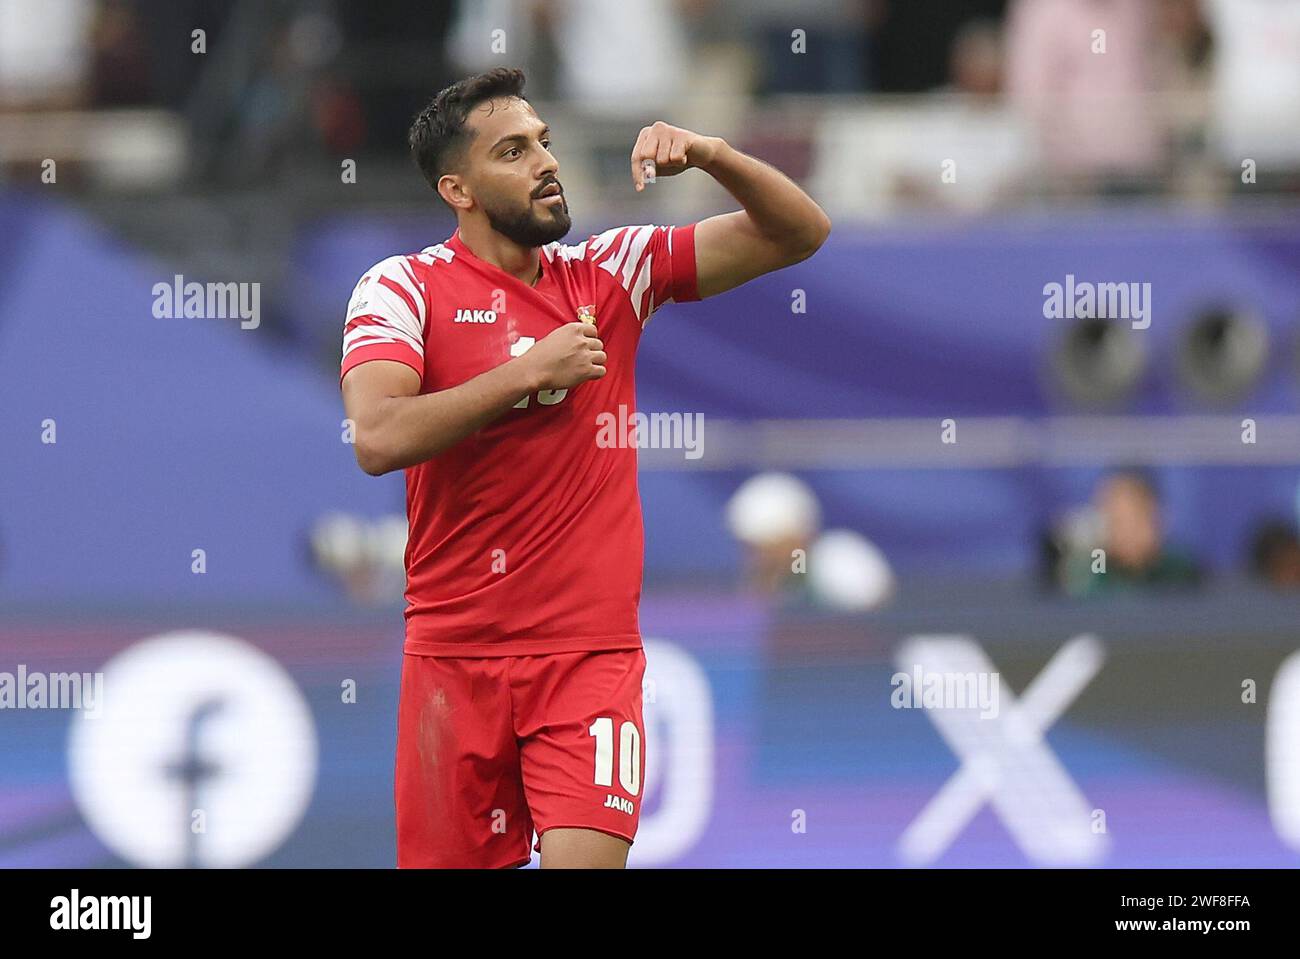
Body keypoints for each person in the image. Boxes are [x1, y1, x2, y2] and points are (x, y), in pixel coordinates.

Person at [339, 68, 830, 868]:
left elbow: (798, 232)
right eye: (512, 150)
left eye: (543, 142)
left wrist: (713, 154)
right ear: (457, 189)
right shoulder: (403, 289)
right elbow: (377, 437)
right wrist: (527, 372)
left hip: (587, 659)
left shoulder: (612, 274)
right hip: (451, 660)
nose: (544, 162)